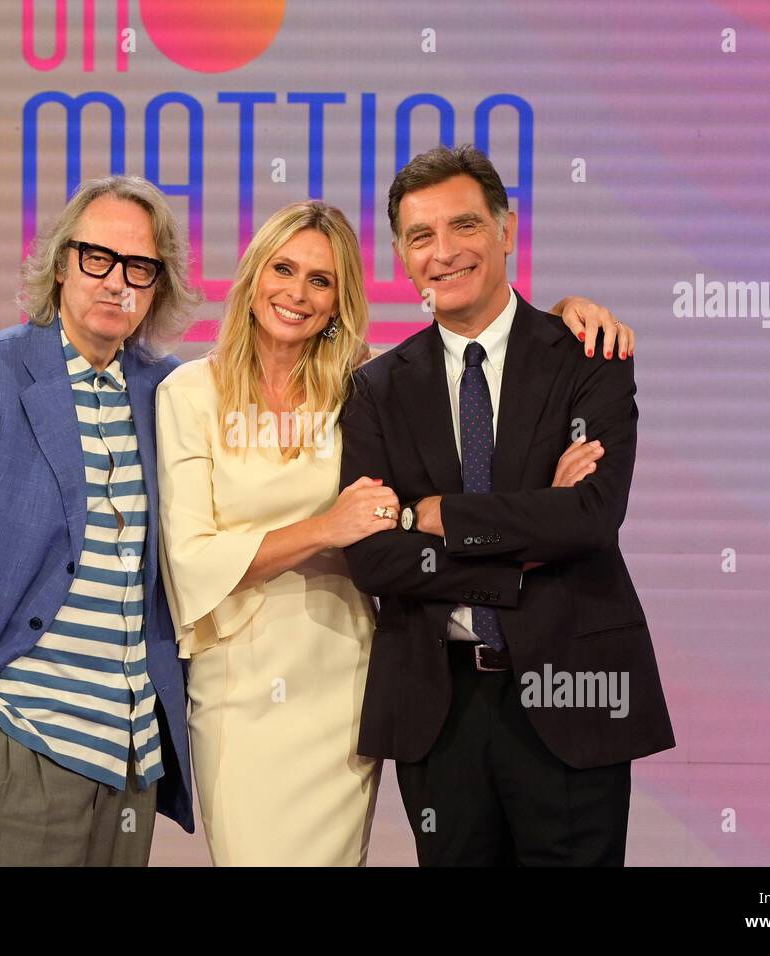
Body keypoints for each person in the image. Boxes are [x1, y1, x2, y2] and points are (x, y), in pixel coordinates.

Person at [156, 197, 636, 865]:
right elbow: (192, 559)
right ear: (251, 277)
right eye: (283, 269)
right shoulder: (187, 393)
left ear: (339, 298)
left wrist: (562, 314)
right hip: (242, 682)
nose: (297, 293)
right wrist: (328, 527)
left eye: (320, 280)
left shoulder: (362, 384)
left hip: (345, 674)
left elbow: (481, 349)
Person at [340, 144, 676, 866]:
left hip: (573, 691)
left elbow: (589, 517)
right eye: (421, 236)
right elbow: (372, 556)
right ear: (400, 255)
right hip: (439, 705)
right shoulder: (377, 389)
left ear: (506, 231)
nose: (445, 252)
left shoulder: (589, 354)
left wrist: (438, 515)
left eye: (464, 226)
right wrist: (522, 541)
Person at [0, 174, 200, 865]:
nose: (116, 281)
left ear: (157, 285)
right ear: (61, 263)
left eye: (139, 267)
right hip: (18, 747)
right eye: (97, 258)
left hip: (131, 763)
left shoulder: (165, 393)